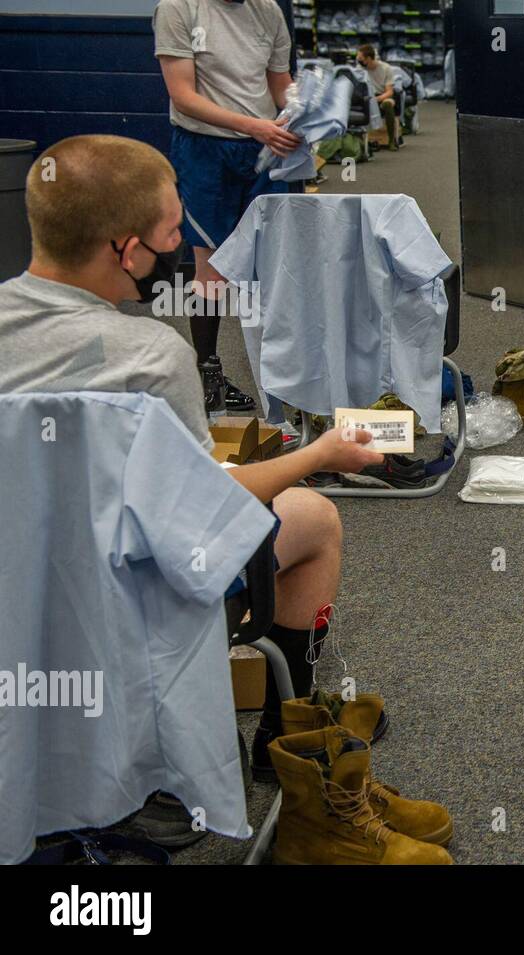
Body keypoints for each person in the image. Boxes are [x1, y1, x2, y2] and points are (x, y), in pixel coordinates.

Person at [0, 135, 386, 830]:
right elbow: (208, 503)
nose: (181, 245)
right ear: (125, 249)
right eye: (172, 231)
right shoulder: (150, 357)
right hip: (129, 608)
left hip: (15, 610)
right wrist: (322, 450)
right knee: (317, 519)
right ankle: (282, 740)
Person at [153, 0, 302, 413]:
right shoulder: (178, 8)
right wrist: (255, 125)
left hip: (263, 149)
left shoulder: (268, 10)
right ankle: (207, 372)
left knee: (268, 265)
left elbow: (279, 83)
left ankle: (279, 373)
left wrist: (304, 109)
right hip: (205, 150)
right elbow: (182, 95)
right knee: (213, 269)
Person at [357, 44, 402, 151]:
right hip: (367, 96)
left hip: (382, 96)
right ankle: (361, 141)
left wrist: (376, 99)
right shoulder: (360, 70)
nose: (359, 61)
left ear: (368, 58)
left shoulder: (386, 68)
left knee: (387, 103)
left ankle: (391, 141)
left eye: (361, 59)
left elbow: (389, 92)